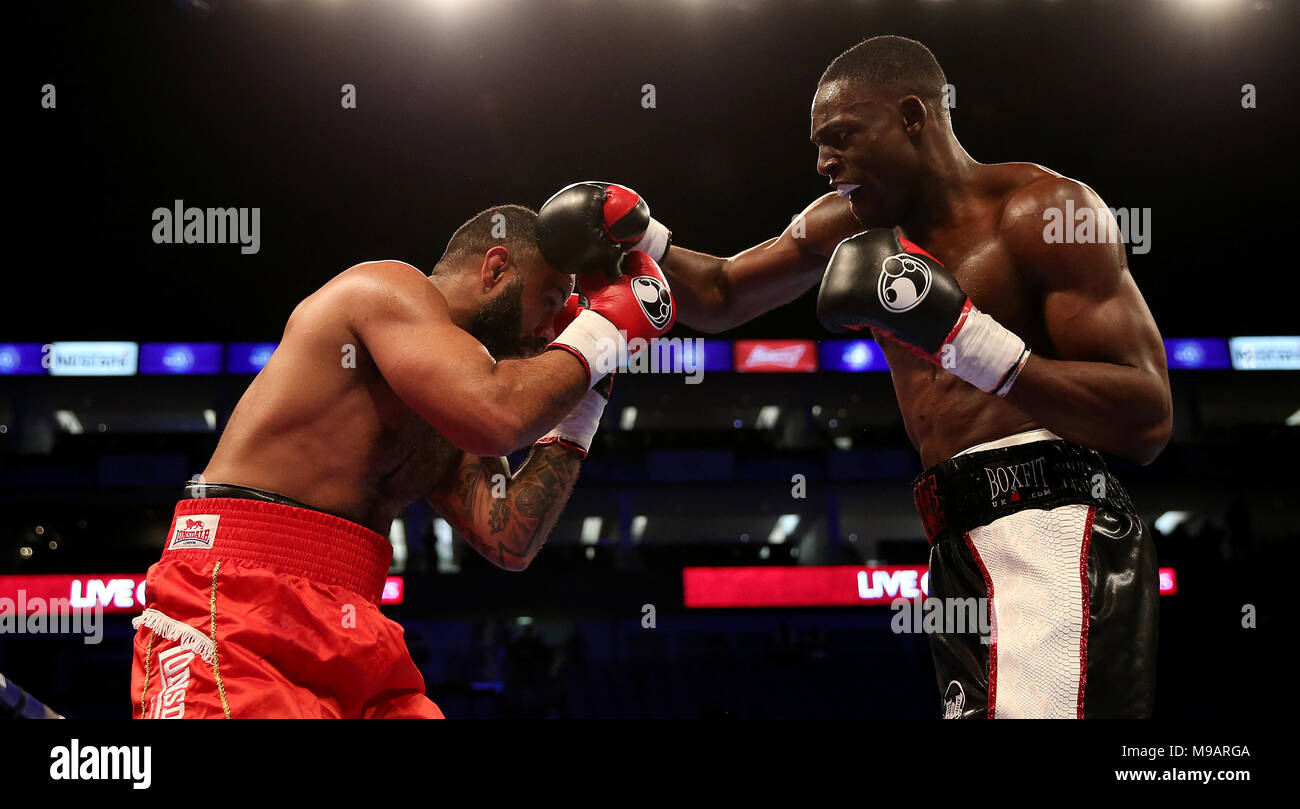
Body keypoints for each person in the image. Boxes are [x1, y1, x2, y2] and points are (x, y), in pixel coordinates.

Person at [536, 35, 1171, 718]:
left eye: (840, 137)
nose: (822, 162)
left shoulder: (1044, 212)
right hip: (956, 538)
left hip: (1053, 523)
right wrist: (641, 237)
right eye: (817, 144)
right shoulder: (847, 225)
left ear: (913, 116)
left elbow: (1148, 416)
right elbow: (722, 292)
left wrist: (968, 341)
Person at [131, 204, 675, 718]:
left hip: (354, 617)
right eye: (554, 300)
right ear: (496, 267)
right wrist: (602, 331)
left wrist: (585, 402)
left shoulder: (449, 410)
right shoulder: (387, 288)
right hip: (238, 596)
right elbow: (500, 415)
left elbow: (508, 535)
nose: (549, 331)